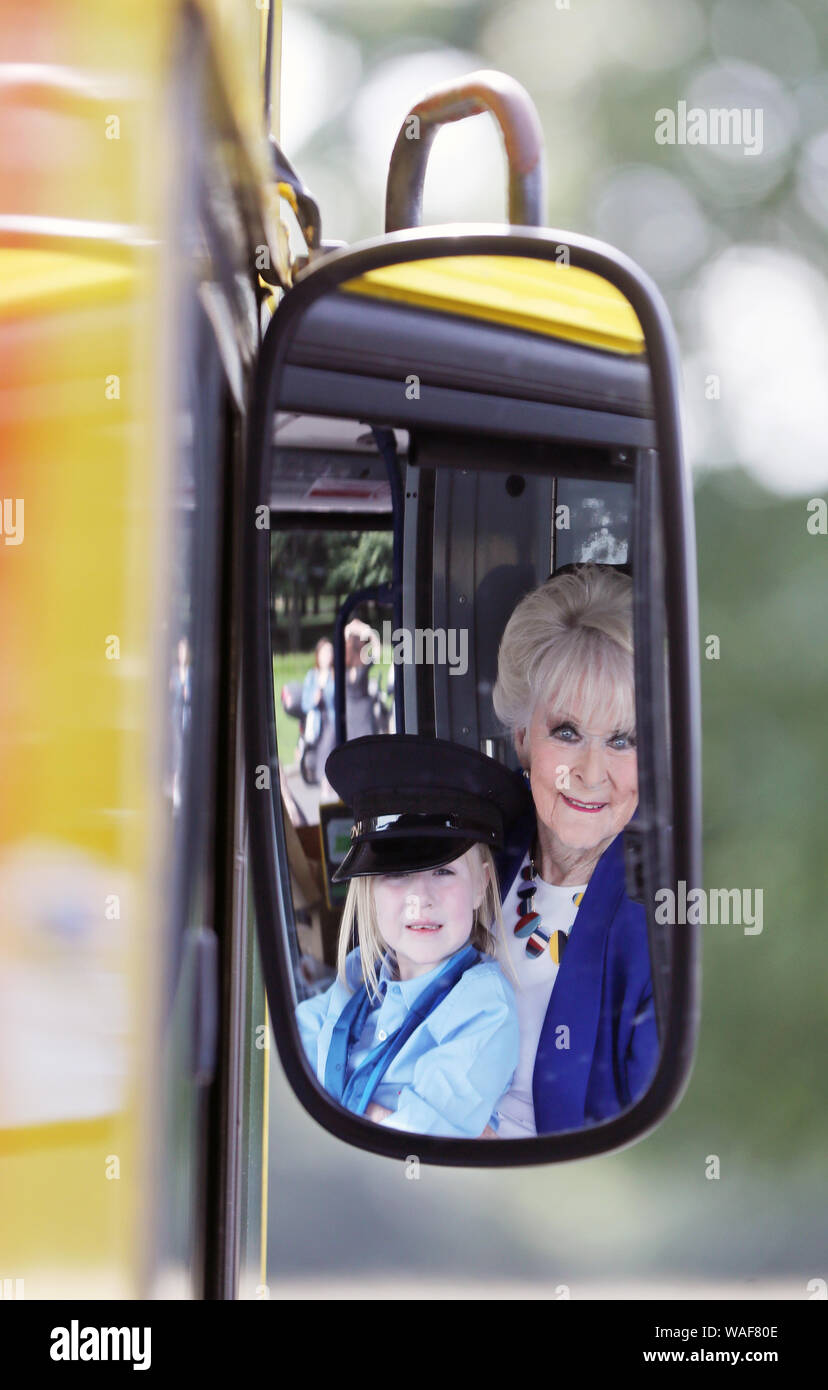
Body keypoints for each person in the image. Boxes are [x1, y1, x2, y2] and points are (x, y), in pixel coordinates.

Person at [488, 563, 658, 1137]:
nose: (590, 773)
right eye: (566, 732)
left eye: (623, 740)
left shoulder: (664, 922)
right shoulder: (479, 853)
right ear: (520, 737)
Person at [295, 735, 531, 1138]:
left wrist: (344, 1109)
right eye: (397, 874)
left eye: (443, 871)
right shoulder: (359, 976)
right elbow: (290, 1052)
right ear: (369, 890)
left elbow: (417, 1139)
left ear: (480, 885)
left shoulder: (483, 1006)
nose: (420, 898)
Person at [301, 637, 336, 790]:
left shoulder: (335, 675)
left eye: (330, 652)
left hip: (331, 721)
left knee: (328, 746)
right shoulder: (312, 676)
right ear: (318, 655)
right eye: (324, 652)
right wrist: (314, 699)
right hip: (317, 723)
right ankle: (325, 785)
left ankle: (326, 784)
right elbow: (304, 703)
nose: (328, 655)